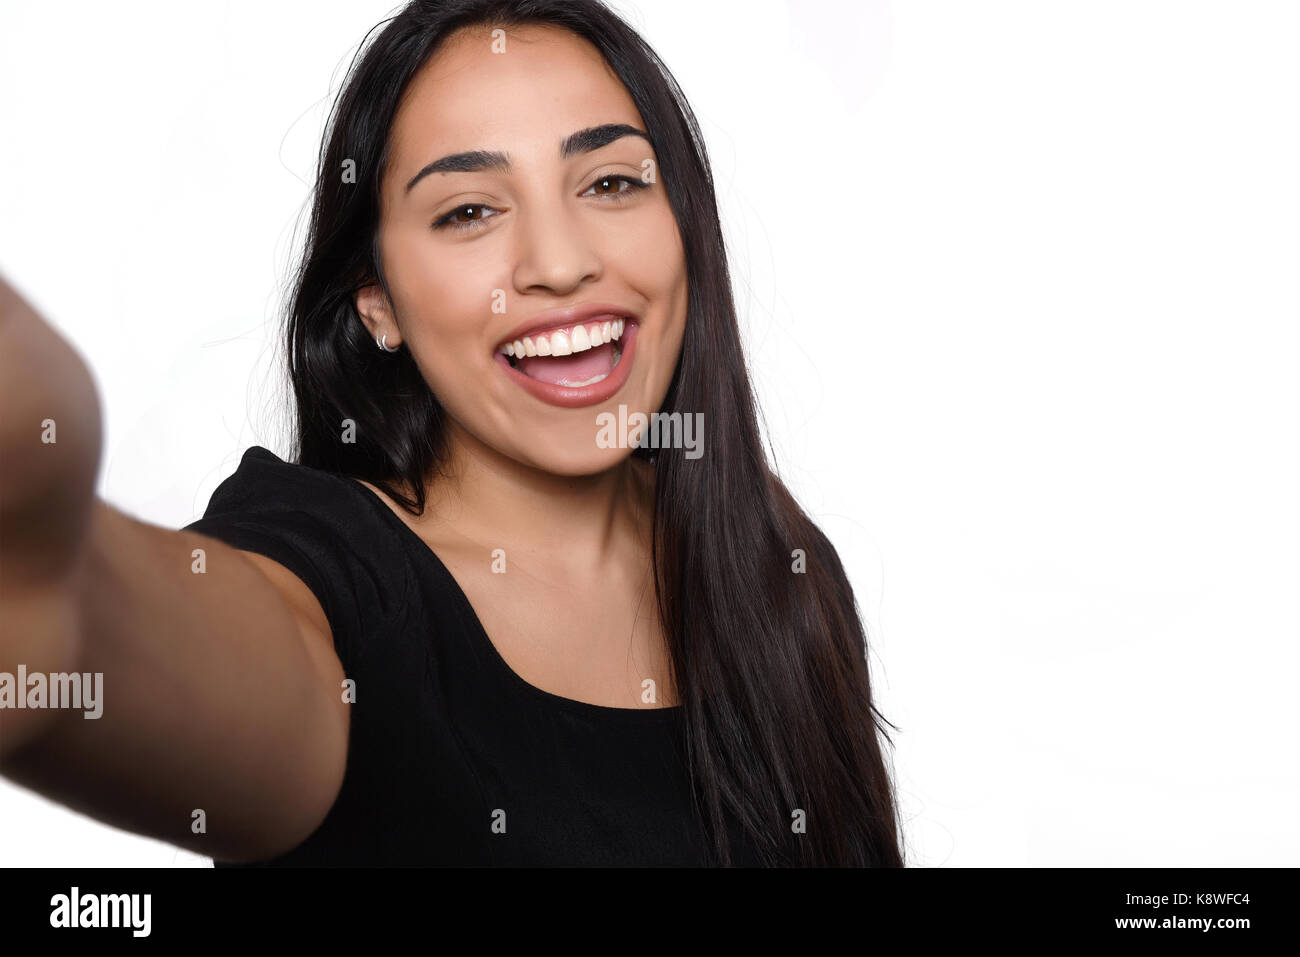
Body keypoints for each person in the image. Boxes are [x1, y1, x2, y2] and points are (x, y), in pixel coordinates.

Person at [0, 0, 904, 867]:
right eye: (469, 210)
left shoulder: (780, 564)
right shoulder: (338, 575)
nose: (559, 263)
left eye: (612, 182)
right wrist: (51, 584)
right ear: (378, 304)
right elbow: (95, 637)